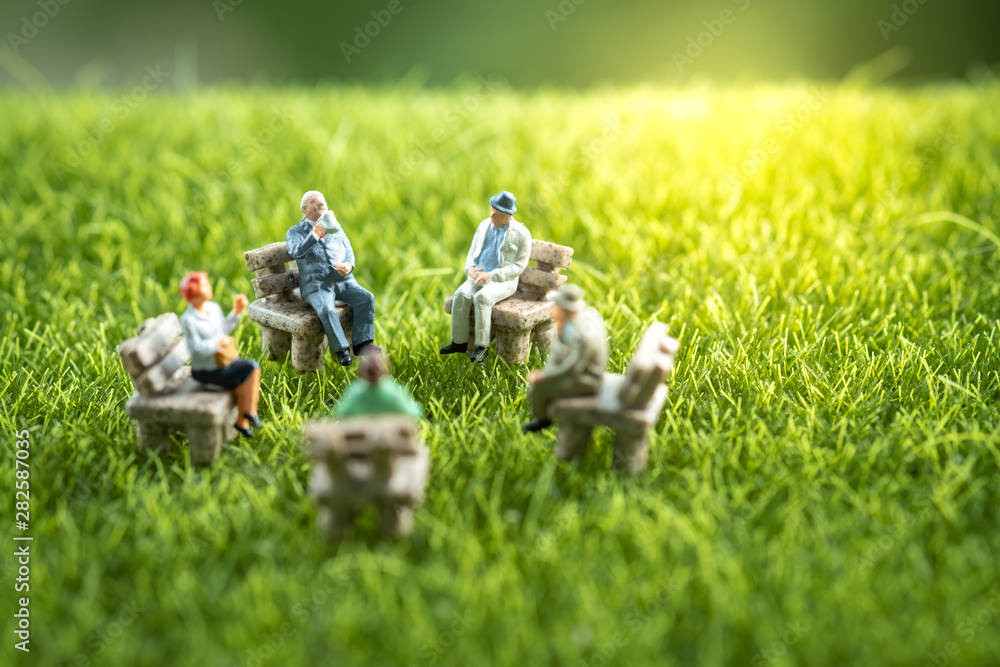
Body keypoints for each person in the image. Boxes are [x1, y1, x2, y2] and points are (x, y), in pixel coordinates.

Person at [286, 190, 379, 367]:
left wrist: (349, 266)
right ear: (306, 208)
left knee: (366, 298)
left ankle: (363, 344)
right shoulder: (295, 232)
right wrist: (314, 235)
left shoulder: (335, 227)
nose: (323, 207)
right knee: (327, 309)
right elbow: (295, 251)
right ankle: (342, 349)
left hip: (342, 280)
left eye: (324, 203)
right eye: (318, 204)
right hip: (317, 285)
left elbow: (348, 250)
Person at [440, 190, 531, 363]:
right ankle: (459, 342)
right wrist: (470, 269)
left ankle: (481, 347)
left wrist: (491, 275)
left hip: (502, 280)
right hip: (478, 274)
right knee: (461, 294)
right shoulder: (484, 225)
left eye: (497, 213)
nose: (492, 215)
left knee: (482, 297)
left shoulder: (521, 234)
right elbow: (472, 251)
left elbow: (519, 265)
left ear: (508, 215)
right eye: (491, 210)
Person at [179, 271, 262, 438]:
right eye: (205, 285)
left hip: (223, 362)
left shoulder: (213, 308)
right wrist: (216, 345)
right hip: (206, 370)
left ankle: (247, 414)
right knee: (245, 374)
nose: (210, 287)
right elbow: (195, 348)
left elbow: (224, 329)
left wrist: (236, 312)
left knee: (252, 367)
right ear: (194, 291)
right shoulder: (189, 319)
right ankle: (244, 419)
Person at [522, 284, 608, 433]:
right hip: (579, 371)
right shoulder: (573, 323)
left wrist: (544, 377)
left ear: (564, 309)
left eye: (556, 306)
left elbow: (572, 368)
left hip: (587, 378)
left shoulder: (580, 333)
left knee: (537, 389)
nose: (553, 309)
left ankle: (543, 419)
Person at [333, 351, 424, 420]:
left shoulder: (390, 393)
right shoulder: (357, 393)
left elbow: (343, 412)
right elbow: (411, 411)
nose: (372, 369)